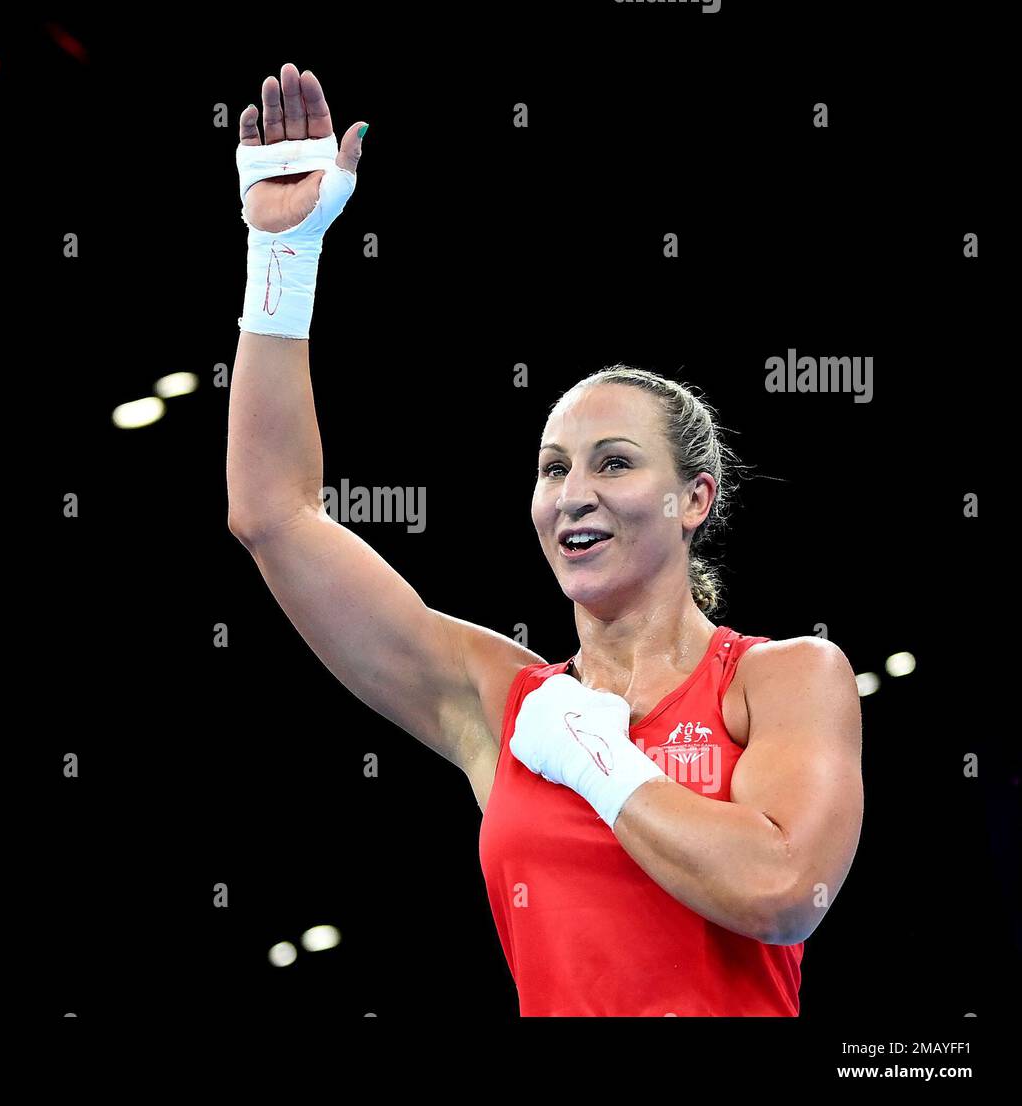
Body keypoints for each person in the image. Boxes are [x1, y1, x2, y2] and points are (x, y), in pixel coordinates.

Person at [226, 63, 863, 1016]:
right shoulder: (503, 701)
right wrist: (283, 261)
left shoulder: (781, 679)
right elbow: (275, 516)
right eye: (553, 468)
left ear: (695, 498)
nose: (572, 494)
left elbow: (780, 895)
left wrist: (600, 761)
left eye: (612, 464)